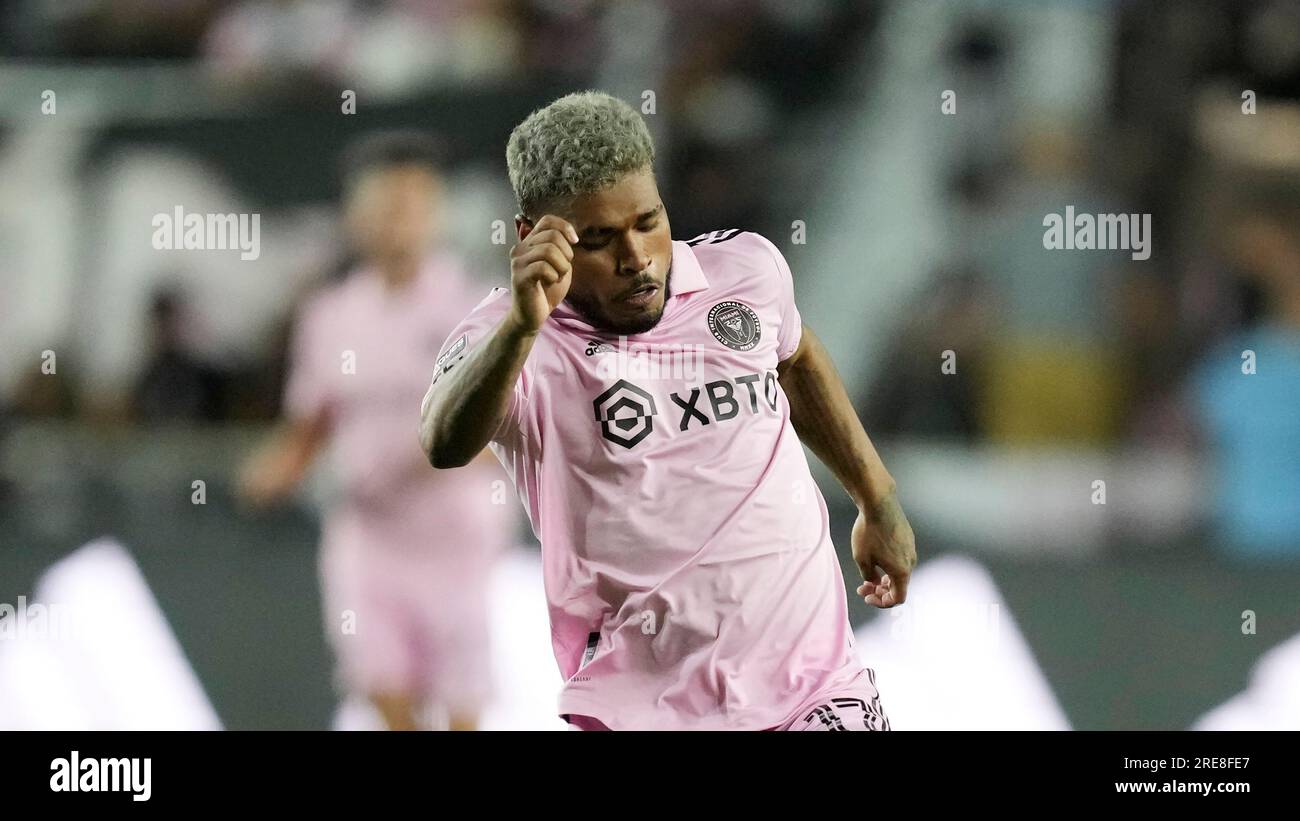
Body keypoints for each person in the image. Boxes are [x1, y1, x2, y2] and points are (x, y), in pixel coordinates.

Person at [420, 91, 917, 730]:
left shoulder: (745, 272)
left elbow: (794, 358)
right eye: (598, 239)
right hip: (644, 706)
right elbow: (442, 442)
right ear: (533, 236)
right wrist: (520, 328)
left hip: (812, 688)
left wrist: (877, 497)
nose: (636, 259)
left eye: (648, 221)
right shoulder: (508, 337)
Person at [239, 133, 513, 730]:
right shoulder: (330, 314)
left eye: (414, 202)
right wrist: (271, 474)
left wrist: (434, 455)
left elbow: (507, 430)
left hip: (455, 538)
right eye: (385, 204)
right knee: (383, 692)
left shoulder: (480, 309)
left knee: (460, 707)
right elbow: (312, 423)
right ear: (355, 215)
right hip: (367, 534)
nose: (400, 219)